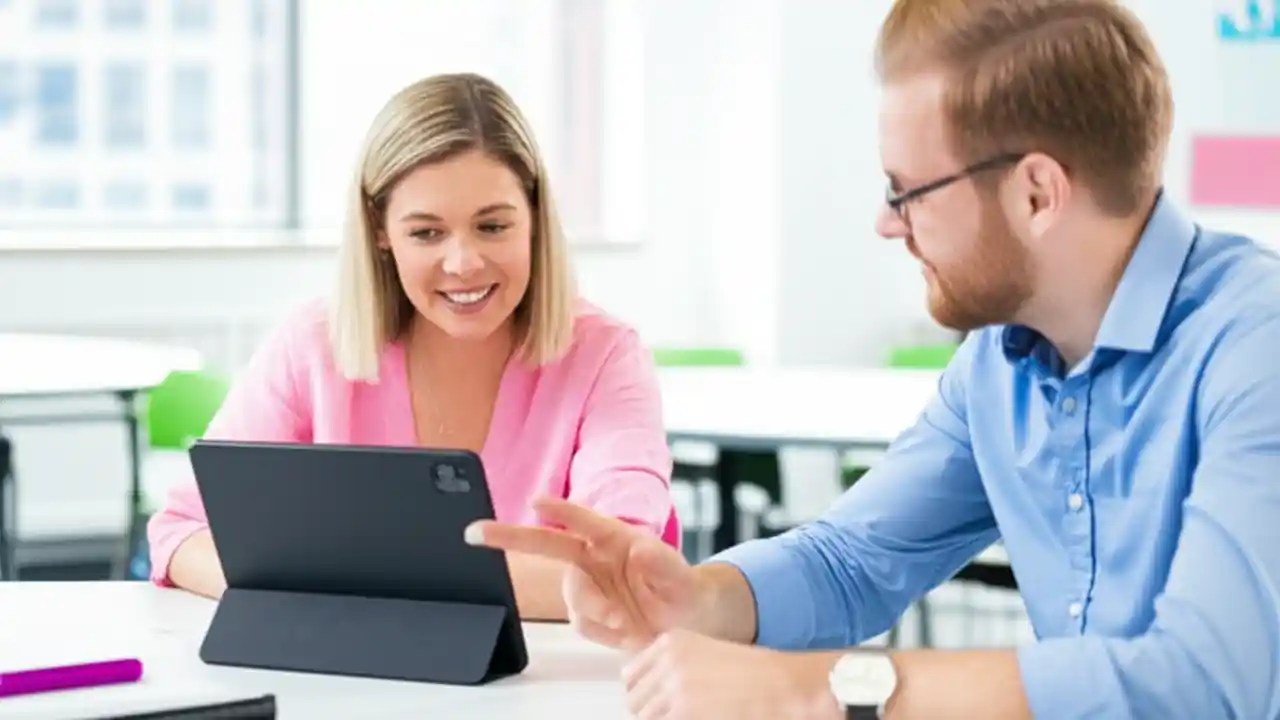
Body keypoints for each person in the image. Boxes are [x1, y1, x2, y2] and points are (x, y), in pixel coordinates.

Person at [467, 1, 1280, 717]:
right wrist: (695, 598)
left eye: (906, 191)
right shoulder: (1002, 361)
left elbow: (1203, 683)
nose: (887, 225)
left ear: (1037, 194)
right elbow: (853, 560)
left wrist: (821, 691)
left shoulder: (1254, 344)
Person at [147, 73, 679, 621]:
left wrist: (343, 576)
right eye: (427, 233)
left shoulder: (605, 355)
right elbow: (183, 532)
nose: (464, 262)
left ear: (536, 218)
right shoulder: (313, 346)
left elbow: (628, 571)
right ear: (381, 232)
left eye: (493, 226)